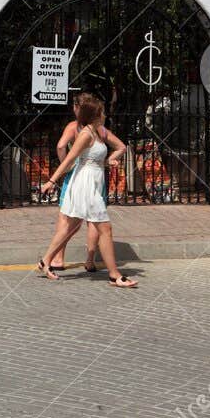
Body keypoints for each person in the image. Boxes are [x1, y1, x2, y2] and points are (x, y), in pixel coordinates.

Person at [36, 96, 137, 288]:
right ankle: (115, 275)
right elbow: (68, 160)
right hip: (85, 184)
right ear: (95, 115)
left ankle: (44, 261)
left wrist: (108, 162)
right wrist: (51, 181)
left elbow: (98, 157)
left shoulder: (98, 132)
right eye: (102, 111)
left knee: (71, 226)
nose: (105, 114)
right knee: (104, 227)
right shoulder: (86, 134)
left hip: (93, 181)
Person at [39, 92, 101, 272]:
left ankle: (58, 258)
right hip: (94, 175)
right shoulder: (97, 129)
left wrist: (66, 164)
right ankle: (90, 259)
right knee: (94, 218)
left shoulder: (74, 127)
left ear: (76, 108)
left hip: (76, 173)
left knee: (66, 216)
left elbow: (60, 146)